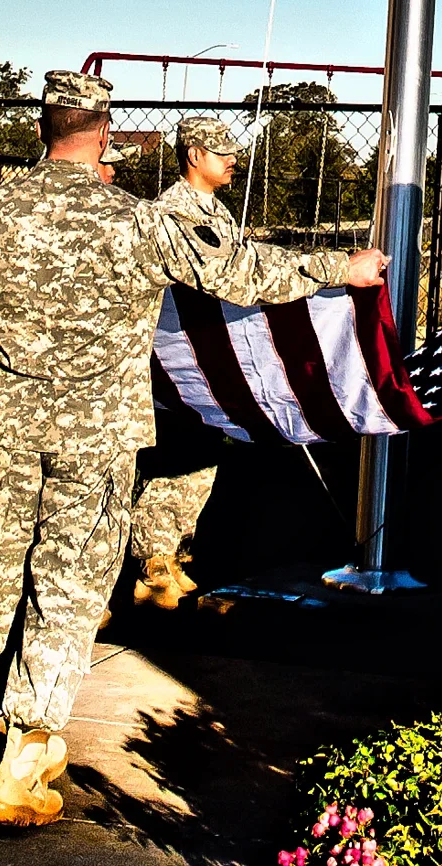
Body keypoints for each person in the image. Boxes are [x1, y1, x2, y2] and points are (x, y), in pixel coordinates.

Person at [0, 70, 389, 829]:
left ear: (43, 129)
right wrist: (337, 267)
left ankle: (20, 718)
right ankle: (27, 746)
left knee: (10, 574)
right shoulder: (137, 223)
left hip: (3, 429)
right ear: (104, 132)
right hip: (95, 438)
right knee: (69, 586)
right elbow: (238, 271)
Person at [129, 116, 243, 610]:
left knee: (201, 459)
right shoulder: (171, 213)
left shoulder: (218, 213)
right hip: (174, 362)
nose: (232, 160)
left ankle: (169, 554)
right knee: (173, 459)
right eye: (221, 152)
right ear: (194, 156)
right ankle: (151, 565)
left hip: (206, 367)